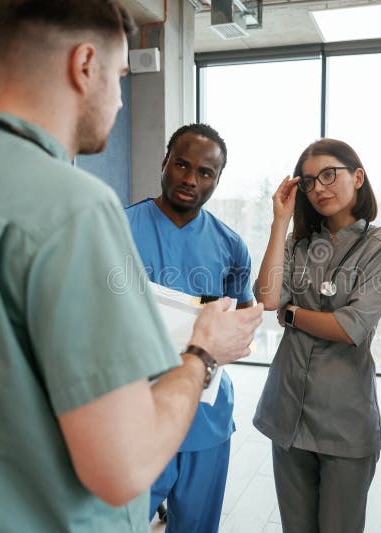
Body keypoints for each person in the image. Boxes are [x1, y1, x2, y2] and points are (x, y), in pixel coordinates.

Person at [0, 2, 263, 532]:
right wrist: (203, 354)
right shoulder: (74, 208)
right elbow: (124, 463)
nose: (120, 101)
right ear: (85, 64)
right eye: (120, 78)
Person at [252, 139, 381, 533]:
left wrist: (293, 313)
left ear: (358, 176)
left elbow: (351, 326)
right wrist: (280, 221)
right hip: (288, 412)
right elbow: (268, 298)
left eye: (329, 175)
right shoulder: (299, 243)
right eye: (308, 181)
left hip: (344, 422)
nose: (318, 187)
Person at [125, 123, 252, 533]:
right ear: (165, 161)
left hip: (206, 414)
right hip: (134, 413)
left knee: (197, 527)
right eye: (182, 165)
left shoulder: (230, 246)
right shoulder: (116, 228)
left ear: (216, 180)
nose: (190, 179)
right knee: (113, 524)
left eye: (205, 172)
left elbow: (240, 324)